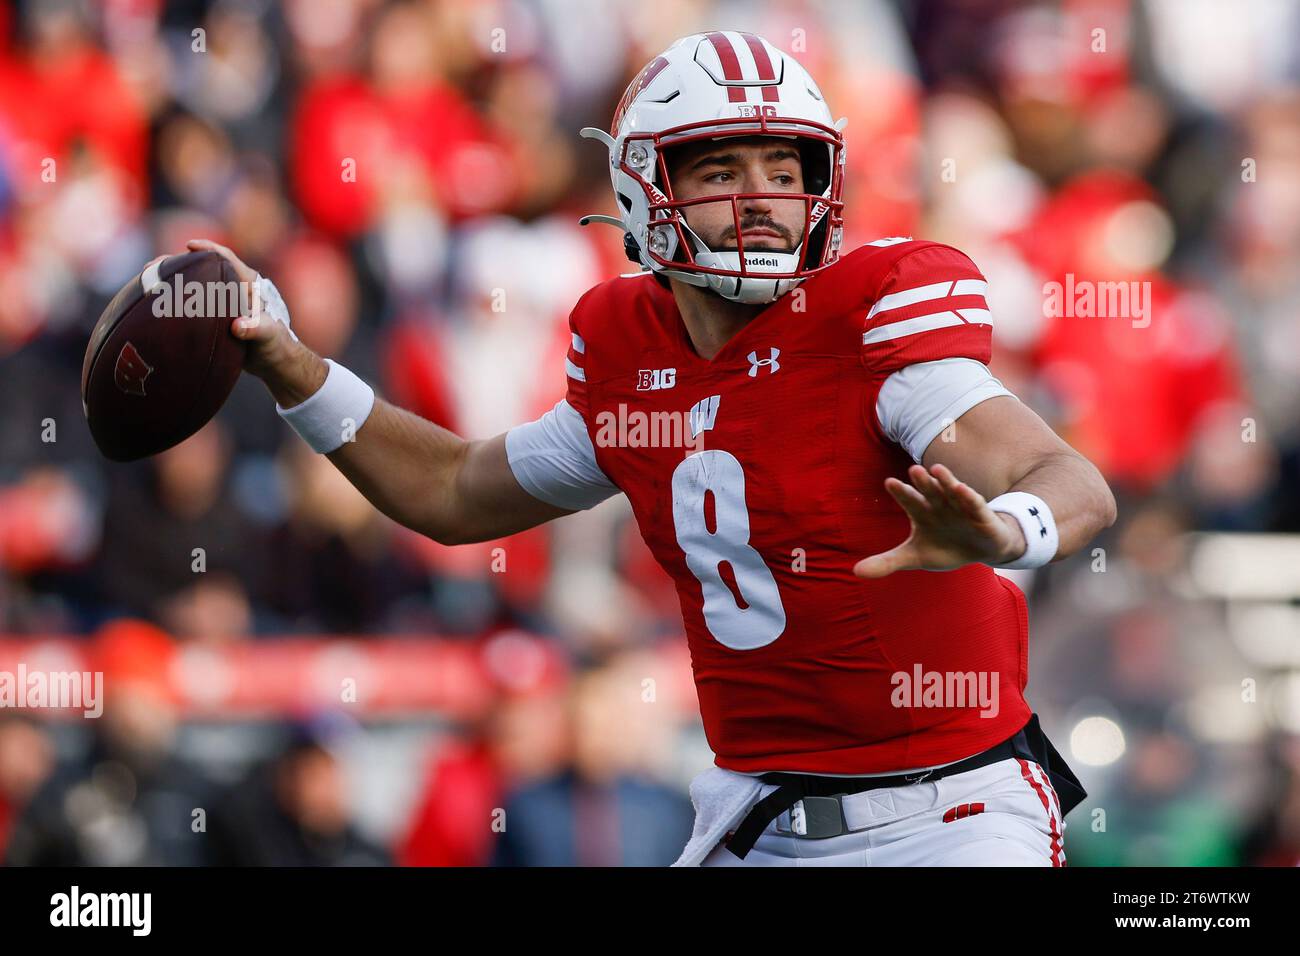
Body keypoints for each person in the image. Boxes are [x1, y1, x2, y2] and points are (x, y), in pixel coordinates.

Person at [170, 31, 1115, 867]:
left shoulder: (870, 323)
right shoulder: (631, 353)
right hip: (759, 817)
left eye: (785, 170)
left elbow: (1071, 481)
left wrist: (1008, 529)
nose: (763, 200)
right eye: (721, 172)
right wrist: (295, 371)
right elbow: (455, 490)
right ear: (645, 187)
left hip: (951, 815)